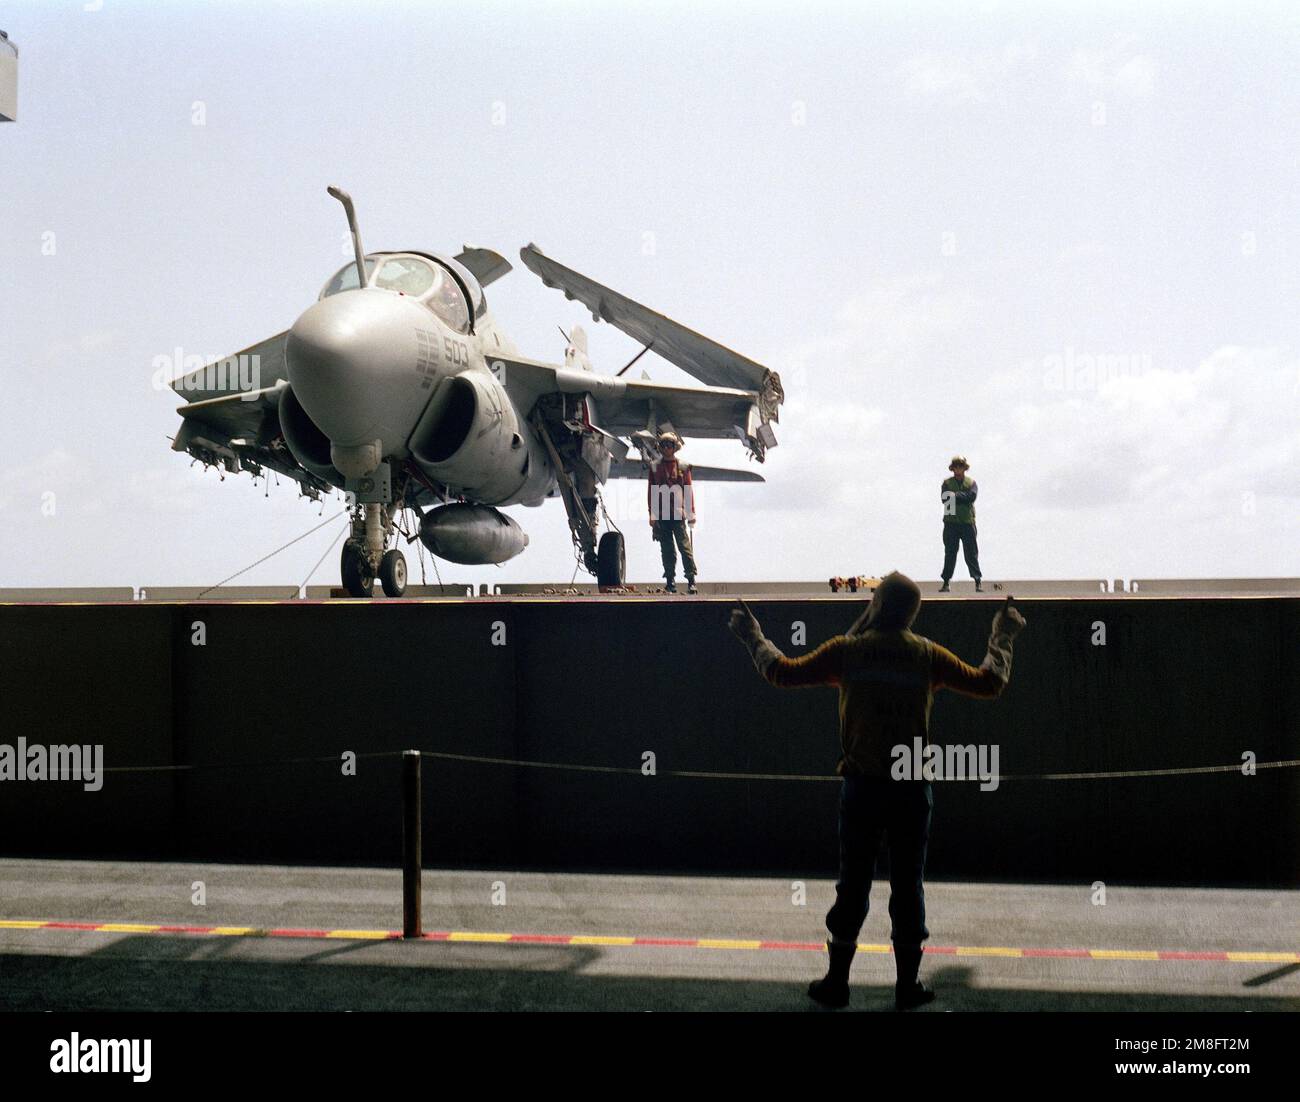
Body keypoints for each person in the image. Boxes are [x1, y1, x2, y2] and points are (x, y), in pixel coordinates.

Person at [727, 572, 1025, 1010]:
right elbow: (989, 682)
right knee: (908, 887)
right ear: (913, 612)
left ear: (878, 605)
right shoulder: (926, 655)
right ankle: (907, 987)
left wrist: (751, 635)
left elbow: (782, 672)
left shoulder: (847, 652)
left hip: (862, 788)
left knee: (853, 886)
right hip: (910, 788)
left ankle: (837, 982)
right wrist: (1002, 636)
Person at [648, 431, 698, 594]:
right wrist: (652, 515)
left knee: (684, 548)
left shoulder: (683, 467)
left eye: (669, 445)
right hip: (662, 515)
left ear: (674, 447)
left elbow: (688, 491)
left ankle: (691, 580)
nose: (666, 448)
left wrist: (691, 515)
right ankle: (670, 581)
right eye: (663, 445)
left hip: (678, 515)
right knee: (667, 550)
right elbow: (652, 491)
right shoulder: (655, 467)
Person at [940, 456, 981, 592]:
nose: (958, 469)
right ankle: (946, 581)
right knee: (950, 553)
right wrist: (962, 496)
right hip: (951, 524)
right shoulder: (947, 483)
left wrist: (956, 495)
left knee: (971, 553)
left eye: (961, 466)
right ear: (953, 468)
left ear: (964, 468)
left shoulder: (971, 483)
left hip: (967, 523)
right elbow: (946, 500)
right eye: (956, 466)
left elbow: (972, 497)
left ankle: (977, 581)